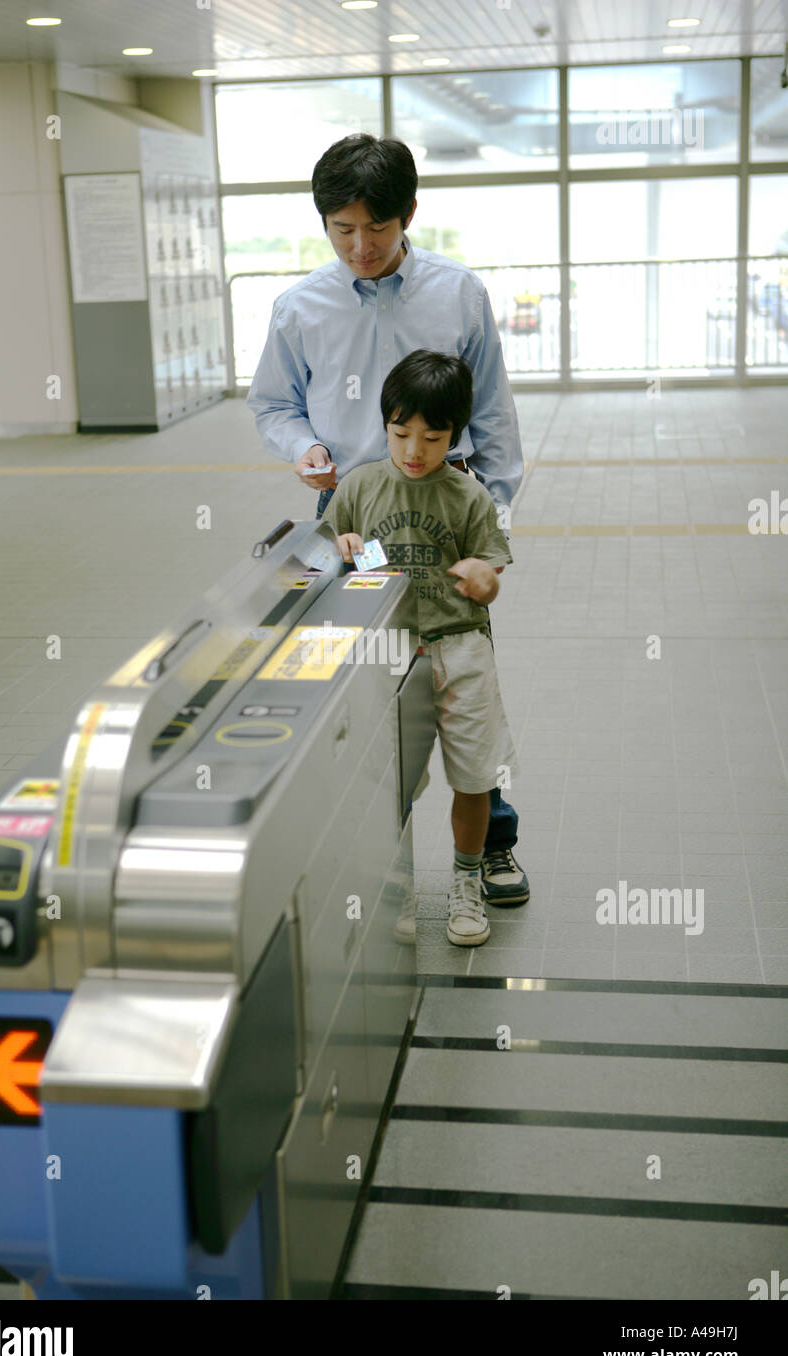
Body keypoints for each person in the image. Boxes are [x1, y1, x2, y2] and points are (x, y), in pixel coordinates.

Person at [247, 133, 528, 907]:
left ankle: (492, 843)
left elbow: (494, 415)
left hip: (446, 509)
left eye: (377, 228)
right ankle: (377, 855)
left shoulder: (457, 294)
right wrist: (303, 445)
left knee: (462, 674)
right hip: (352, 514)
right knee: (366, 682)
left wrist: (492, 533)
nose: (361, 247)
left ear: (409, 213)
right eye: (342, 230)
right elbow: (272, 403)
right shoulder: (300, 306)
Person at [323, 350, 516, 946]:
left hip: (458, 649)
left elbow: (490, 567)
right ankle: (398, 880)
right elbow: (323, 561)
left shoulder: (468, 496)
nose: (413, 451)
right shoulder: (358, 485)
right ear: (384, 424)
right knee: (391, 780)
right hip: (388, 651)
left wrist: (486, 577)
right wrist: (341, 548)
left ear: (454, 435)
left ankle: (465, 880)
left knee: (475, 775)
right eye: (400, 433)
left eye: (432, 438)